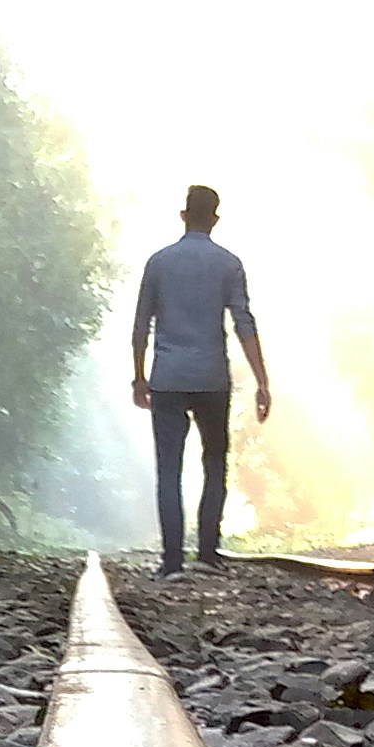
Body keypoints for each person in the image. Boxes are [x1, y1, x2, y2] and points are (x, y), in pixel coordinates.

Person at [126, 185, 270, 576]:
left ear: (183, 215)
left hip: (168, 379)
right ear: (215, 219)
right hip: (211, 378)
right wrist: (262, 380)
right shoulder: (228, 264)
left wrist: (139, 377)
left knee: (168, 468)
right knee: (214, 462)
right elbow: (243, 322)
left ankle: (171, 561)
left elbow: (142, 325)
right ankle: (208, 553)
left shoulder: (158, 263)